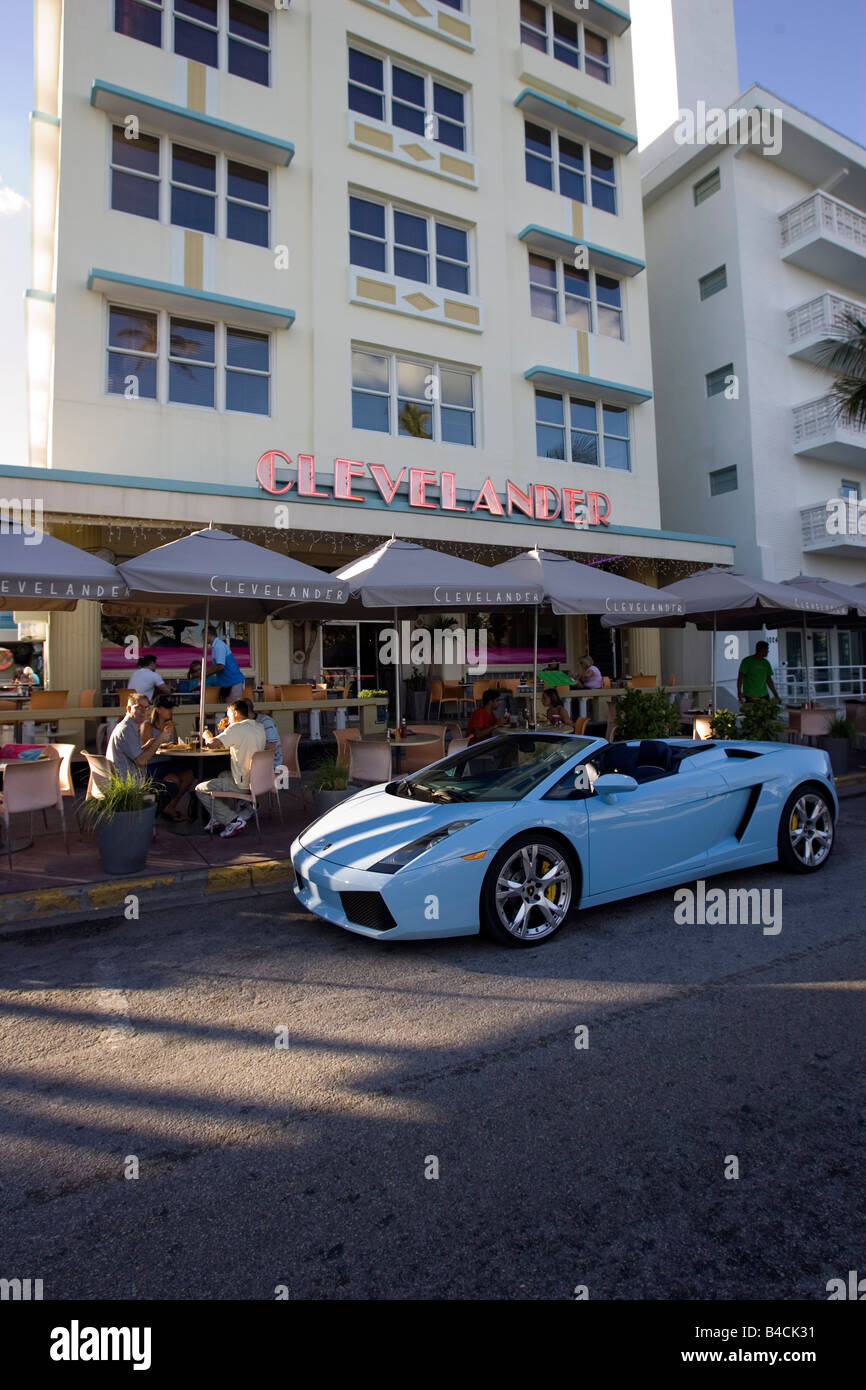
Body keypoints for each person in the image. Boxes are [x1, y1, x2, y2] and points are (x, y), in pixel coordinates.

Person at [106, 694, 189, 821]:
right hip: (131, 784)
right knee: (171, 786)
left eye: (146, 708)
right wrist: (160, 739)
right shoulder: (127, 729)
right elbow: (141, 760)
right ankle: (145, 820)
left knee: (186, 774)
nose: (143, 711)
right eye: (139, 708)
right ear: (129, 709)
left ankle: (147, 818)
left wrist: (147, 745)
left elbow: (135, 753)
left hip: (128, 778)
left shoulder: (129, 727)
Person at [195, 698, 266, 838]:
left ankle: (233, 820)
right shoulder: (258, 726)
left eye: (228, 715)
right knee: (222, 774)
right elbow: (236, 739)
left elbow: (213, 744)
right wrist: (228, 728)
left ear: (236, 713)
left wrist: (206, 735)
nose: (226, 718)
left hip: (242, 783)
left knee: (200, 789)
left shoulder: (236, 728)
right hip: (258, 780)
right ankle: (217, 816)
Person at [144, 697, 195, 816]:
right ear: (158, 710)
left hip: (168, 762)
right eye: (167, 708)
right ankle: (163, 808)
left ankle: (170, 806)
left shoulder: (172, 726)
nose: (170, 711)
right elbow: (144, 749)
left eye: (171, 708)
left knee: (189, 775)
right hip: (152, 764)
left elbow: (174, 746)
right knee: (174, 780)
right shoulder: (148, 726)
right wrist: (162, 736)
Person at [205, 624, 244, 702]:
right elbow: (215, 666)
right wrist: (203, 672)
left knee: (233, 709)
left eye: (203, 636)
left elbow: (220, 666)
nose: (203, 638)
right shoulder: (215, 646)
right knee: (226, 709)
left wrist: (205, 675)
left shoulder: (219, 646)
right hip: (226, 682)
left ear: (208, 635)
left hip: (233, 681)